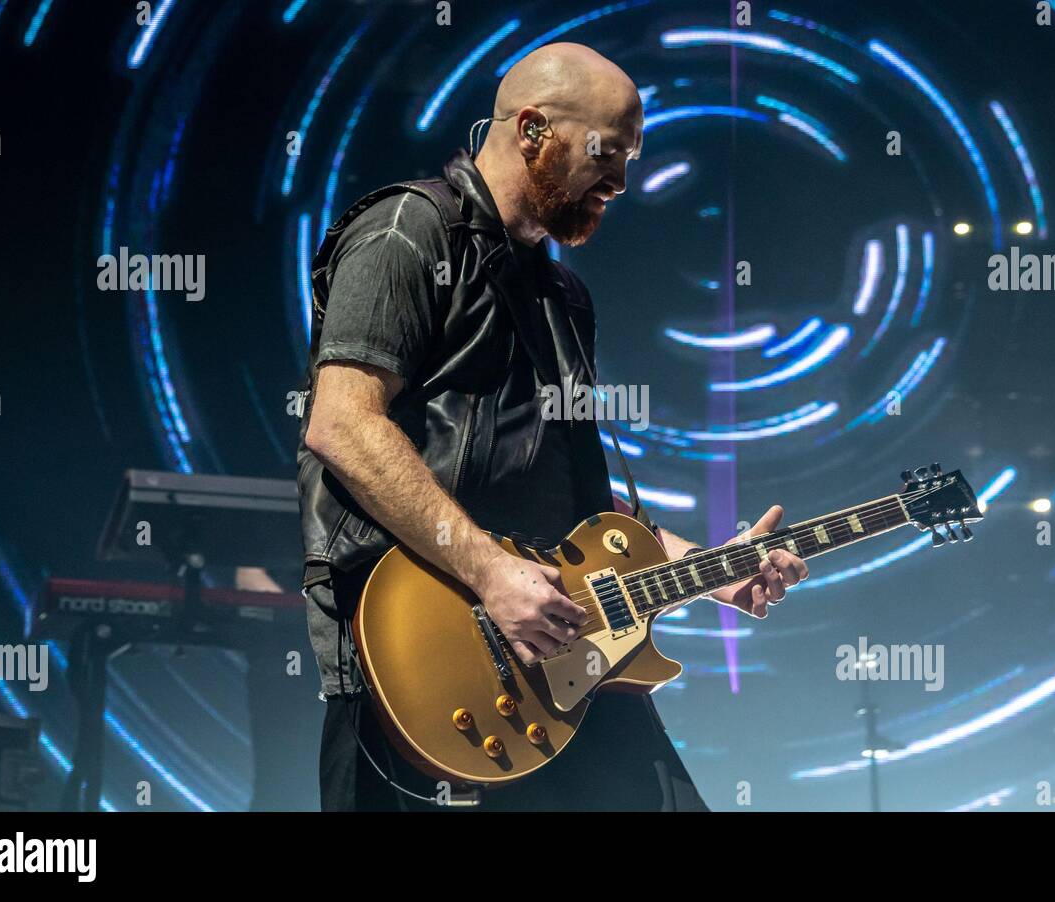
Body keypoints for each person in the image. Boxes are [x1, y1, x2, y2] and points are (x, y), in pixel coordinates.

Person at [297, 42, 808, 811]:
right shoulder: (408, 229)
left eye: (633, 158)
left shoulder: (562, 297)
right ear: (532, 128)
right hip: (427, 674)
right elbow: (342, 425)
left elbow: (580, 508)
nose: (623, 182)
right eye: (609, 152)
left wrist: (710, 566)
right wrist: (491, 572)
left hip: (569, 665)